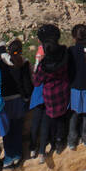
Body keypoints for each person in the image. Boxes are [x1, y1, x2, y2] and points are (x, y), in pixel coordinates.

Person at [32, 32, 71, 158]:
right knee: (62, 118)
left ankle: (53, 142)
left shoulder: (44, 66)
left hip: (50, 97)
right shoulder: (64, 56)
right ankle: (60, 141)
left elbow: (37, 82)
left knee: (52, 119)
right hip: (63, 91)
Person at [0, 40, 32, 168]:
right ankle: (17, 155)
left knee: (7, 131)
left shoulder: (2, 62)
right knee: (17, 129)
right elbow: (27, 84)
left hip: (5, 102)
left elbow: (0, 53)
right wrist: (27, 98)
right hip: (18, 101)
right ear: (21, 51)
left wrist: (1, 45)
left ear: (9, 52)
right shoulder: (24, 63)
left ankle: (8, 157)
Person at [28, 23, 58, 158]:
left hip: (39, 90)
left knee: (35, 120)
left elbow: (36, 72)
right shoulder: (55, 51)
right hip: (50, 91)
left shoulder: (41, 51)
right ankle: (42, 151)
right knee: (46, 122)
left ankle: (33, 147)